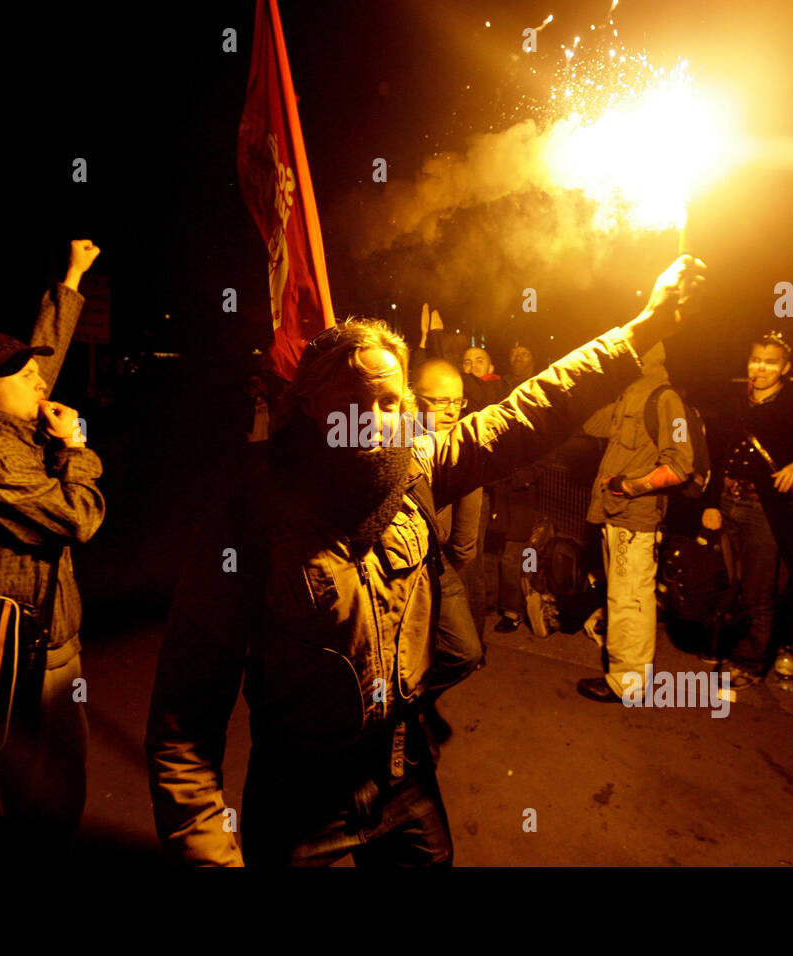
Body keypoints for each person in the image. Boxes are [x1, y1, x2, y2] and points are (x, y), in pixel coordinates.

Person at [145, 254, 707, 866]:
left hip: (402, 777)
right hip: (298, 795)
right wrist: (207, 856)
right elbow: (184, 720)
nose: (377, 421)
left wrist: (643, 328)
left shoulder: (420, 466)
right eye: (355, 400)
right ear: (308, 404)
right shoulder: (249, 514)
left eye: (392, 401)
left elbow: (531, 412)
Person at [0, 239, 104, 849]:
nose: (43, 385)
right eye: (28, 379)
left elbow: (47, 353)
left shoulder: (4, 420)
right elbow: (78, 518)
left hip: (46, 632)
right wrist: (76, 449)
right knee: (48, 775)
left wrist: (71, 276)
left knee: (53, 767)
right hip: (21, 648)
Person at [700, 331, 793, 688]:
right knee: (724, 583)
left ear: (785, 368)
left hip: (765, 510)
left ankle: (751, 661)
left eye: (770, 361)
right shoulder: (732, 404)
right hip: (726, 502)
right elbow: (715, 457)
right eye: (755, 359)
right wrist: (711, 503)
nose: (761, 367)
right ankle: (723, 644)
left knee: (759, 590)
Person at [577, 342, 693, 702]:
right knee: (621, 596)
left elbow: (680, 465)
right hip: (616, 514)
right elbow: (590, 423)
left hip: (637, 519)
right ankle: (624, 675)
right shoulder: (632, 394)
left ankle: (627, 685)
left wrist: (629, 486)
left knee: (631, 600)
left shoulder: (665, 398)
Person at [411, 357, 484, 743]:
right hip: (392, 570)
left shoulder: (466, 449)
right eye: (440, 402)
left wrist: (442, 571)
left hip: (436, 563)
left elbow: (466, 542)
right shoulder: (390, 444)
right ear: (414, 400)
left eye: (458, 401)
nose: (452, 411)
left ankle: (413, 701)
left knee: (465, 651)